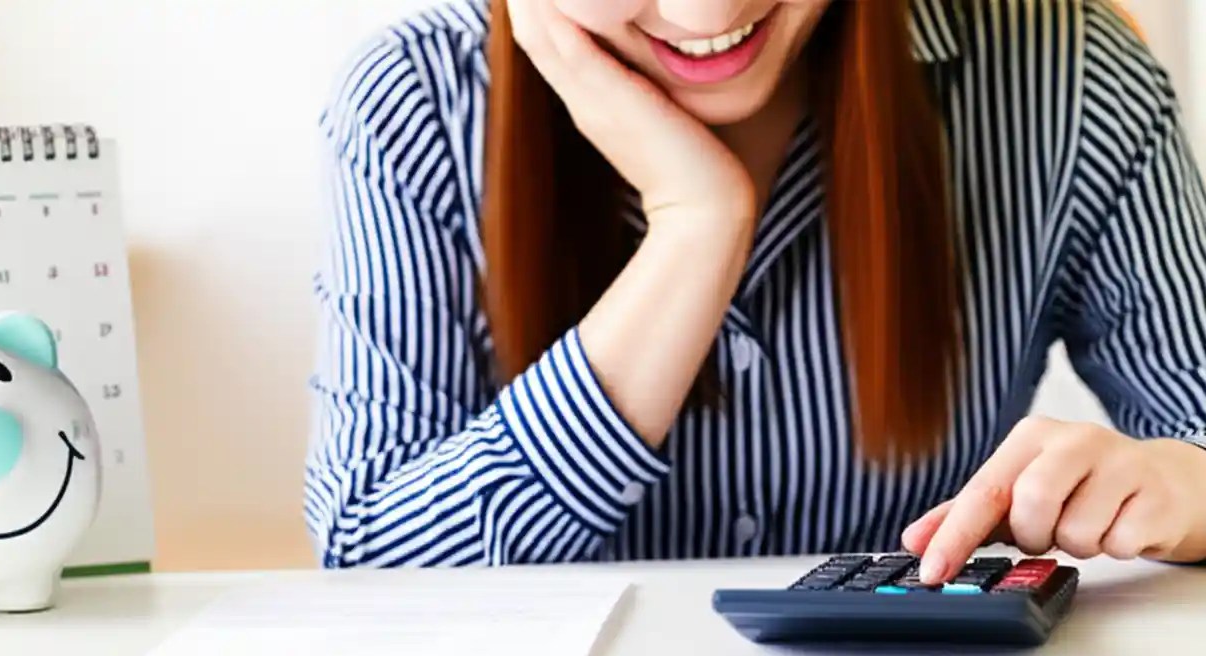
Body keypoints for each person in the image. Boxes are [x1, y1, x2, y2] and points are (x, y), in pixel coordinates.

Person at [304, 0, 1206, 582]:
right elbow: (371, 564)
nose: (710, 13)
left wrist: (1180, 487)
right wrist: (696, 226)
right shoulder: (416, 103)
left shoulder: (1066, 77)